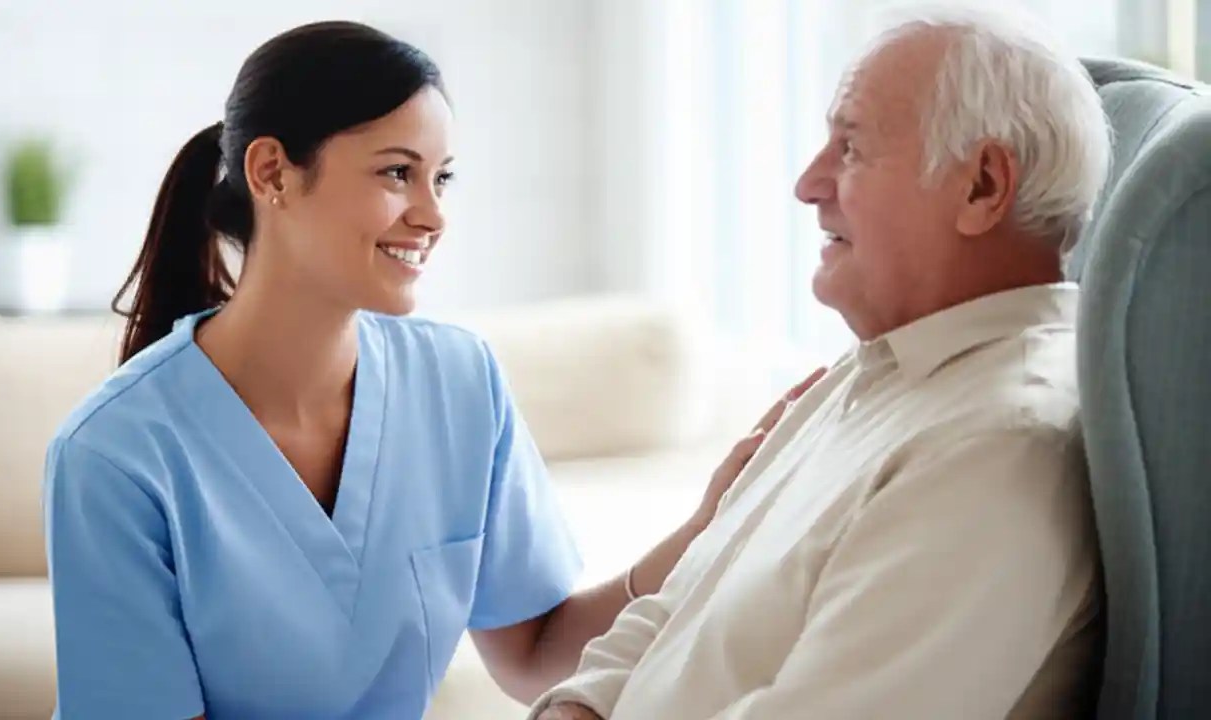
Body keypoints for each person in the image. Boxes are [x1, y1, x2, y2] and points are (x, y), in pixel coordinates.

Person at [41, 21, 818, 720]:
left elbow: (536, 653)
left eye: (441, 178)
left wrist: (706, 526)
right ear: (273, 173)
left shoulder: (460, 383)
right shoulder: (113, 457)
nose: (433, 215)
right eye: (395, 173)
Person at [532, 7, 1112, 720]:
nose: (808, 183)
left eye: (851, 148)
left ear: (983, 186)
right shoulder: (877, 367)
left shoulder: (997, 448)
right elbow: (676, 608)